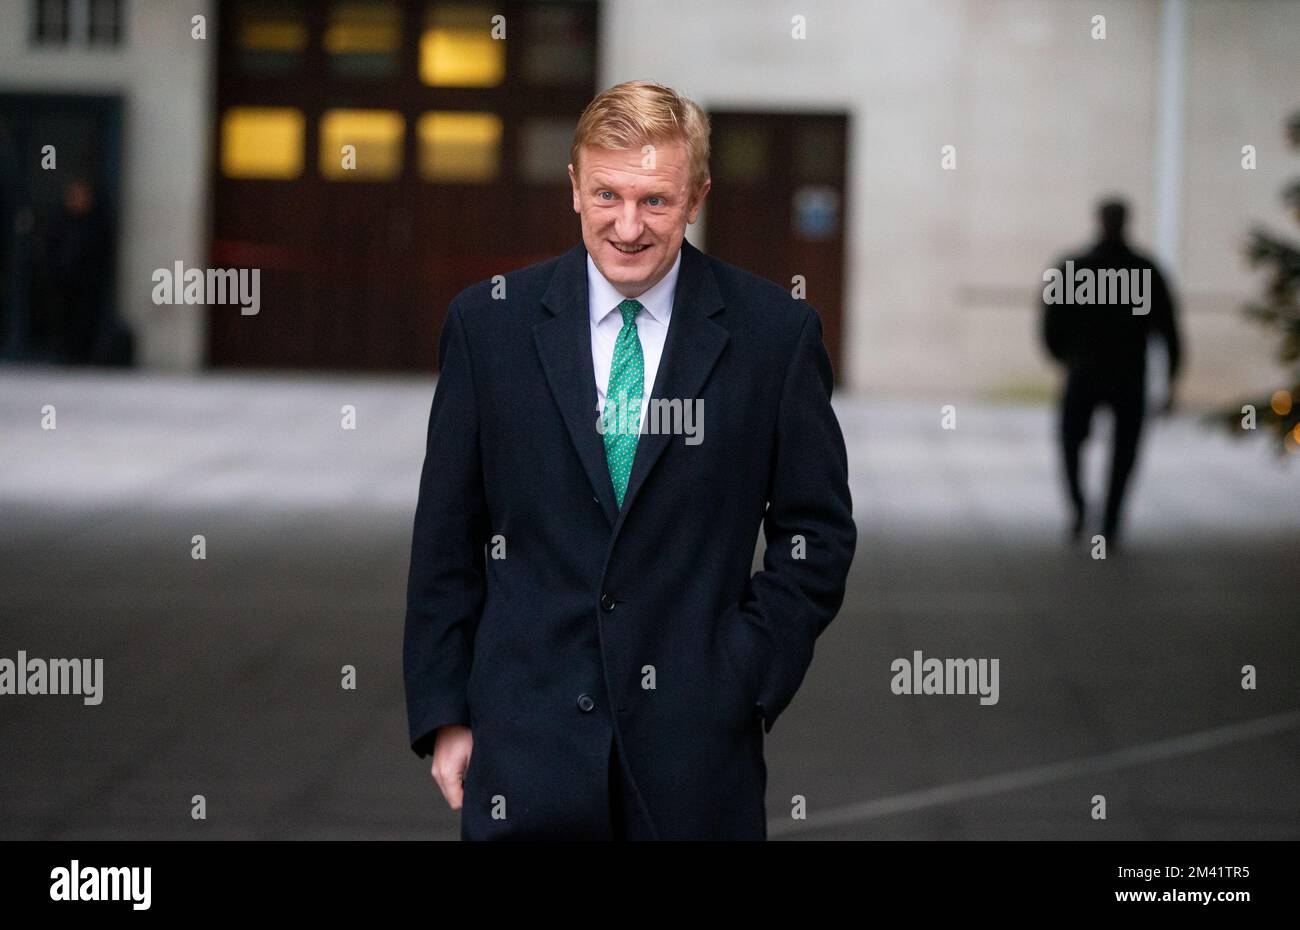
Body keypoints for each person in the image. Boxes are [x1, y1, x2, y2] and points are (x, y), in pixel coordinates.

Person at [402, 80, 857, 840]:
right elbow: (446, 535)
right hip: (525, 753)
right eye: (607, 194)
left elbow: (818, 534)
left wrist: (744, 673)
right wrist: (444, 713)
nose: (628, 226)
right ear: (574, 188)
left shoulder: (775, 336)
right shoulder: (488, 326)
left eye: (655, 200)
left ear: (697, 197)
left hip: (695, 764)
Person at [1041, 197, 1182, 549]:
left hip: (1087, 370)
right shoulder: (1145, 270)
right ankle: (1109, 519)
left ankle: (1082, 510)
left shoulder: (1075, 267)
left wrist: (1066, 357)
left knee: (1073, 442)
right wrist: (1172, 379)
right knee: (1123, 450)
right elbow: (1168, 330)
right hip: (1126, 373)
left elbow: (1051, 323)